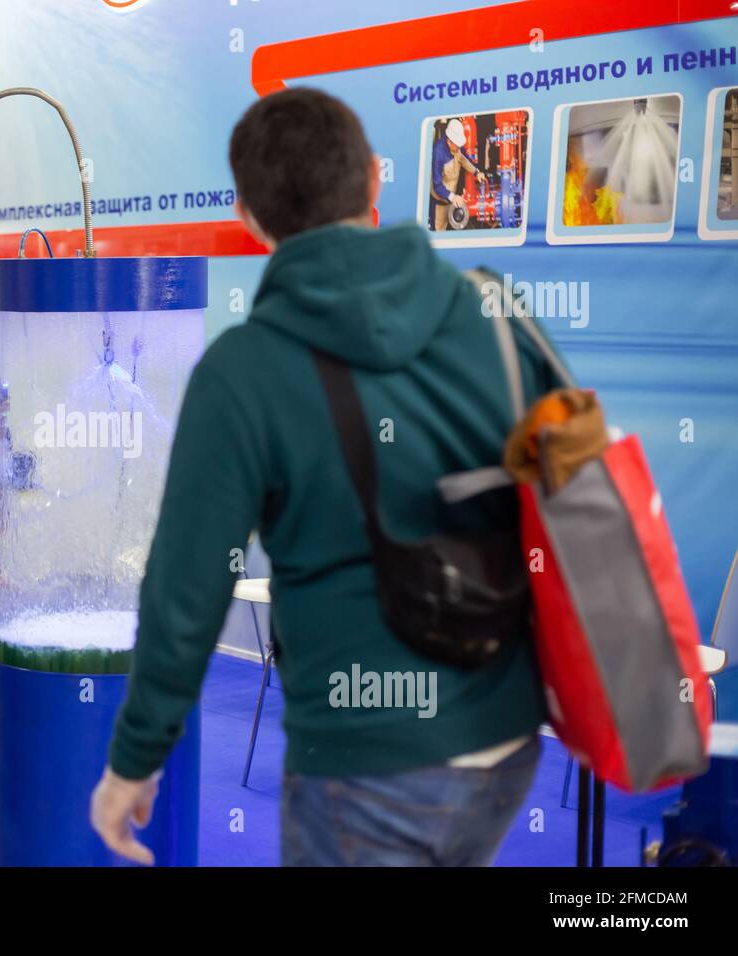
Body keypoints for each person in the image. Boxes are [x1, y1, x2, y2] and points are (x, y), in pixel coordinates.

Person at [92, 88, 562, 866]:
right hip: (510, 737)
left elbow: (187, 589)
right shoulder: (496, 312)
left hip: (362, 757)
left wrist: (135, 759)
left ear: (248, 216)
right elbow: (577, 483)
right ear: (374, 183)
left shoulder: (243, 372)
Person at [430, 117, 486, 230]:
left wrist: (477, 172)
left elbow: (465, 160)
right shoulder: (438, 153)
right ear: (449, 141)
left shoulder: (457, 147)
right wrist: (452, 197)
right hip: (439, 202)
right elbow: (437, 185)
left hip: (452, 198)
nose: (459, 147)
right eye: (457, 145)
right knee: (439, 232)